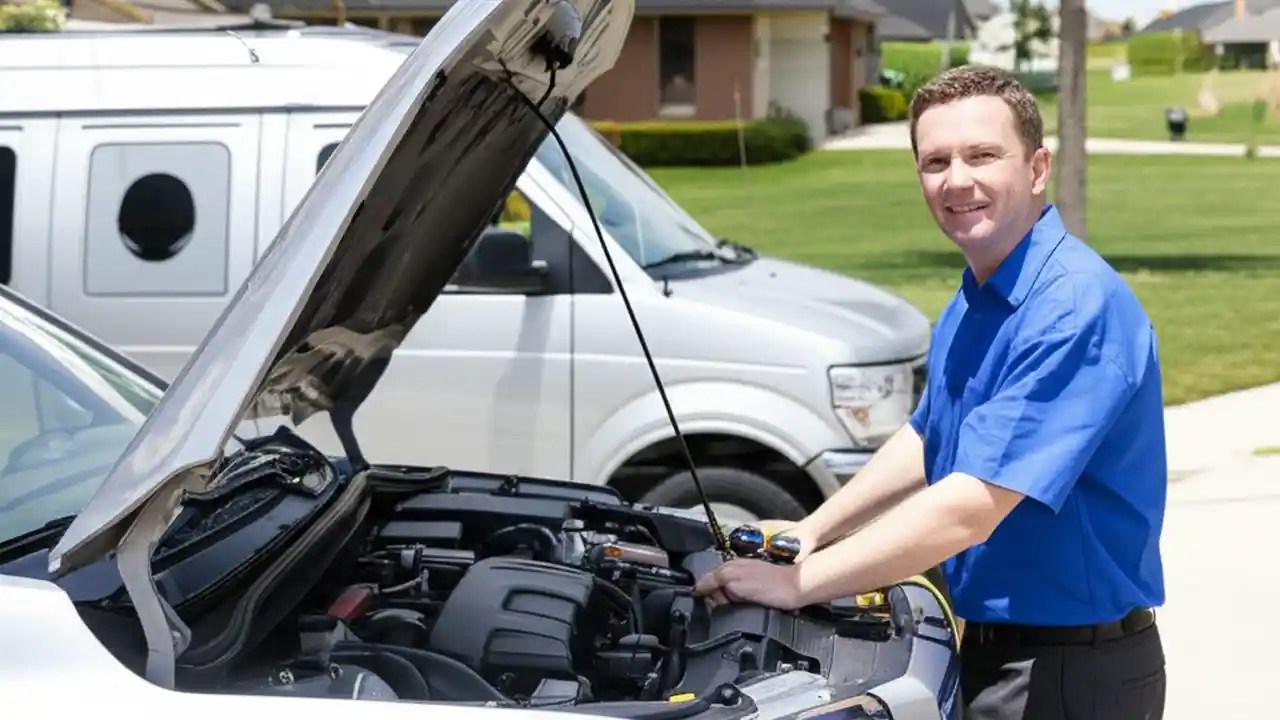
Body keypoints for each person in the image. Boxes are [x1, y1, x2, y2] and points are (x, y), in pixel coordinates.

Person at [693, 65, 1168, 719]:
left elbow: (969, 507)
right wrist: (812, 532)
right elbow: (928, 433)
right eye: (936, 161)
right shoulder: (981, 292)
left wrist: (798, 583)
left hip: (1067, 673)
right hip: (1004, 653)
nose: (957, 180)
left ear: (1036, 169)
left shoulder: (1073, 308)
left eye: (982, 155)